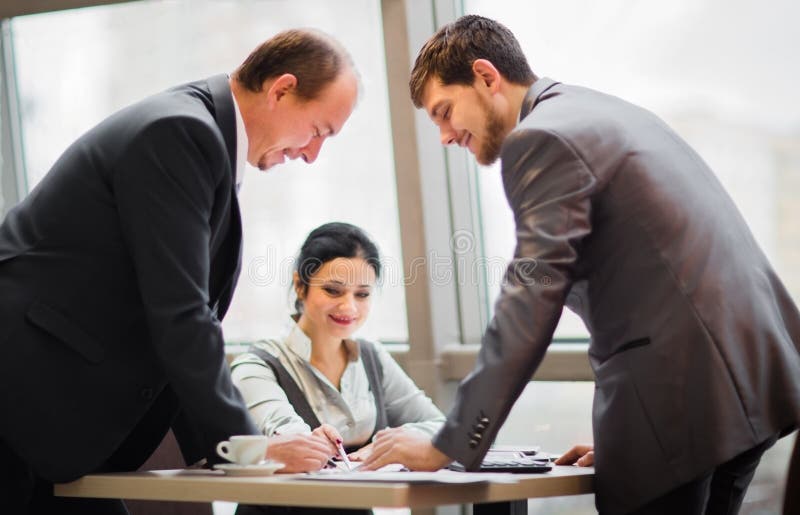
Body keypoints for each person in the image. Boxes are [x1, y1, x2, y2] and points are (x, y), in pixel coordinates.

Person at [360, 14, 800, 515]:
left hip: (684, 399)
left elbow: (530, 298)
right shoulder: (602, 113)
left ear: (485, 77)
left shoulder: (541, 139)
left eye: (444, 112)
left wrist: (447, 445)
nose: (443, 135)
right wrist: (634, 439)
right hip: (744, 382)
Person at [0, 28, 358, 514]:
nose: (312, 154)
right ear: (281, 90)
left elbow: (177, 322)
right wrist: (249, 451)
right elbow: (182, 315)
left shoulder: (199, 136)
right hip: (23, 400)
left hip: (52, 419)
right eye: (319, 131)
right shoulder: (179, 132)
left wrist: (230, 453)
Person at [230, 222, 445, 514]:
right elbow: (288, 435)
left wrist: (393, 442)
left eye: (362, 294)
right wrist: (311, 444)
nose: (349, 308)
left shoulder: (373, 358)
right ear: (299, 285)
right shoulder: (258, 363)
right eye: (333, 291)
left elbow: (440, 426)